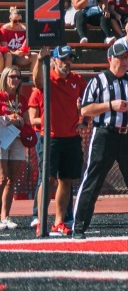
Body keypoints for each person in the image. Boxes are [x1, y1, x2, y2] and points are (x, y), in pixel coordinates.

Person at [71, 43, 128, 238]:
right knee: (93, 180)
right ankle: (79, 227)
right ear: (110, 59)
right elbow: (85, 109)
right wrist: (110, 105)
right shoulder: (98, 81)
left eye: (127, 58)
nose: (125, 61)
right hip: (105, 134)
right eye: (121, 57)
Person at [28, 47, 83, 235]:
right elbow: (37, 81)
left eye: (70, 59)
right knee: (48, 179)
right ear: (55, 60)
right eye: (63, 59)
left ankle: (59, 221)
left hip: (71, 137)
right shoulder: (48, 77)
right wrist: (39, 60)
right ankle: (41, 220)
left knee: (66, 180)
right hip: (50, 137)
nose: (67, 63)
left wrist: (84, 118)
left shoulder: (76, 79)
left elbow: (87, 100)